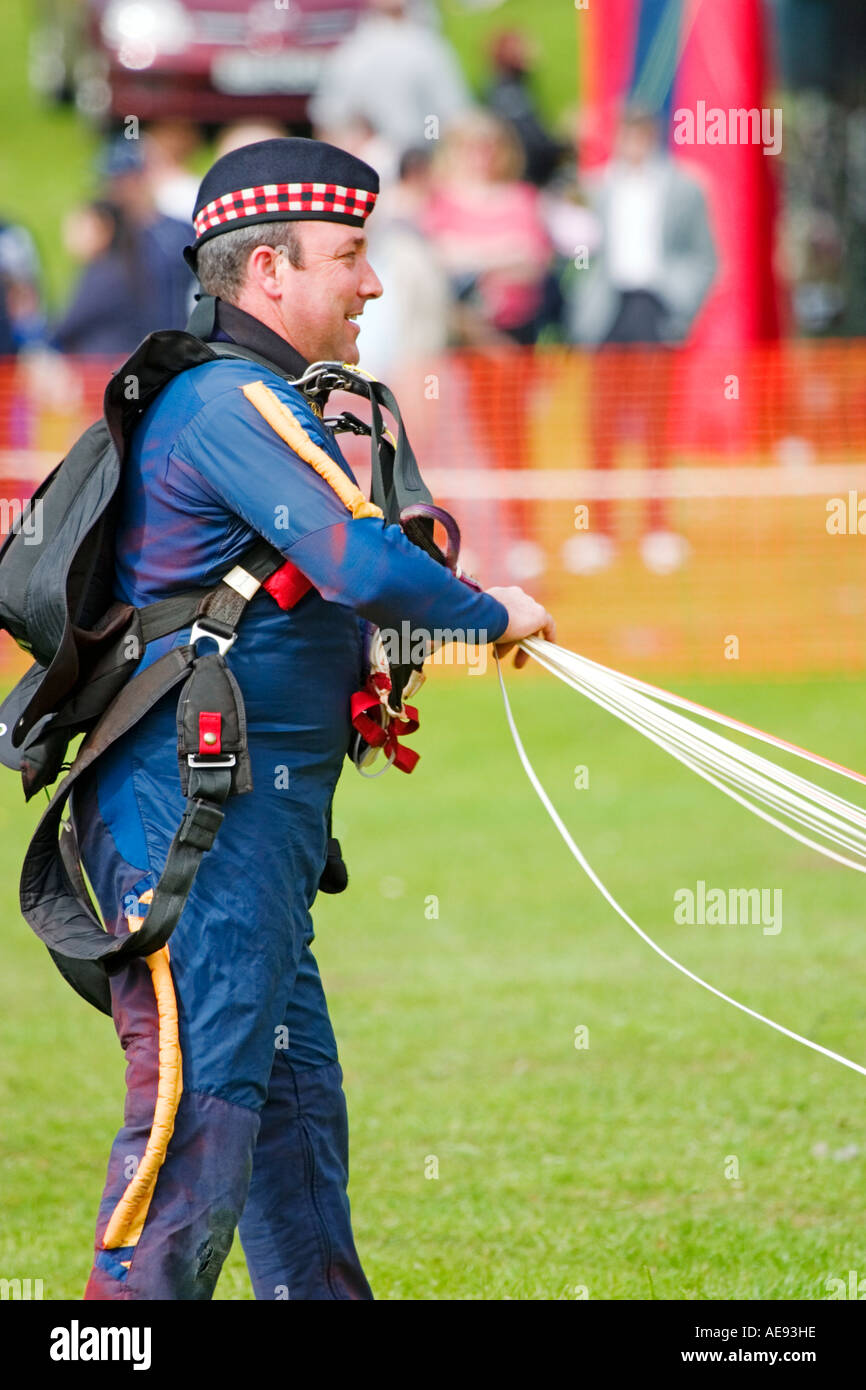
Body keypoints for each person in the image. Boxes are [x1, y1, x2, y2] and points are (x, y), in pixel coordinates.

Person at [70, 136, 554, 1300]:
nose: (374, 282)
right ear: (269, 272)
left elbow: (338, 581)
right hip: (192, 830)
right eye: (352, 255)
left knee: (291, 1123)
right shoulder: (226, 400)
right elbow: (350, 556)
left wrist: (437, 622)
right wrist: (488, 611)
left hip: (259, 837)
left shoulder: (270, 402)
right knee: (200, 1125)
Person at [567, 107, 717, 575]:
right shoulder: (593, 187)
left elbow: (704, 255)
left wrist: (681, 302)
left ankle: (657, 525)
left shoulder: (683, 186)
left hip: (654, 306)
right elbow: (573, 253)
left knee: (655, 422)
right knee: (601, 424)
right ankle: (601, 528)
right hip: (607, 309)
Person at [309, 0, 469, 162]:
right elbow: (331, 122)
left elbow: (455, 117)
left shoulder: (430, 48)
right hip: (372, 164)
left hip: (422, 162)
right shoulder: (353, 53)